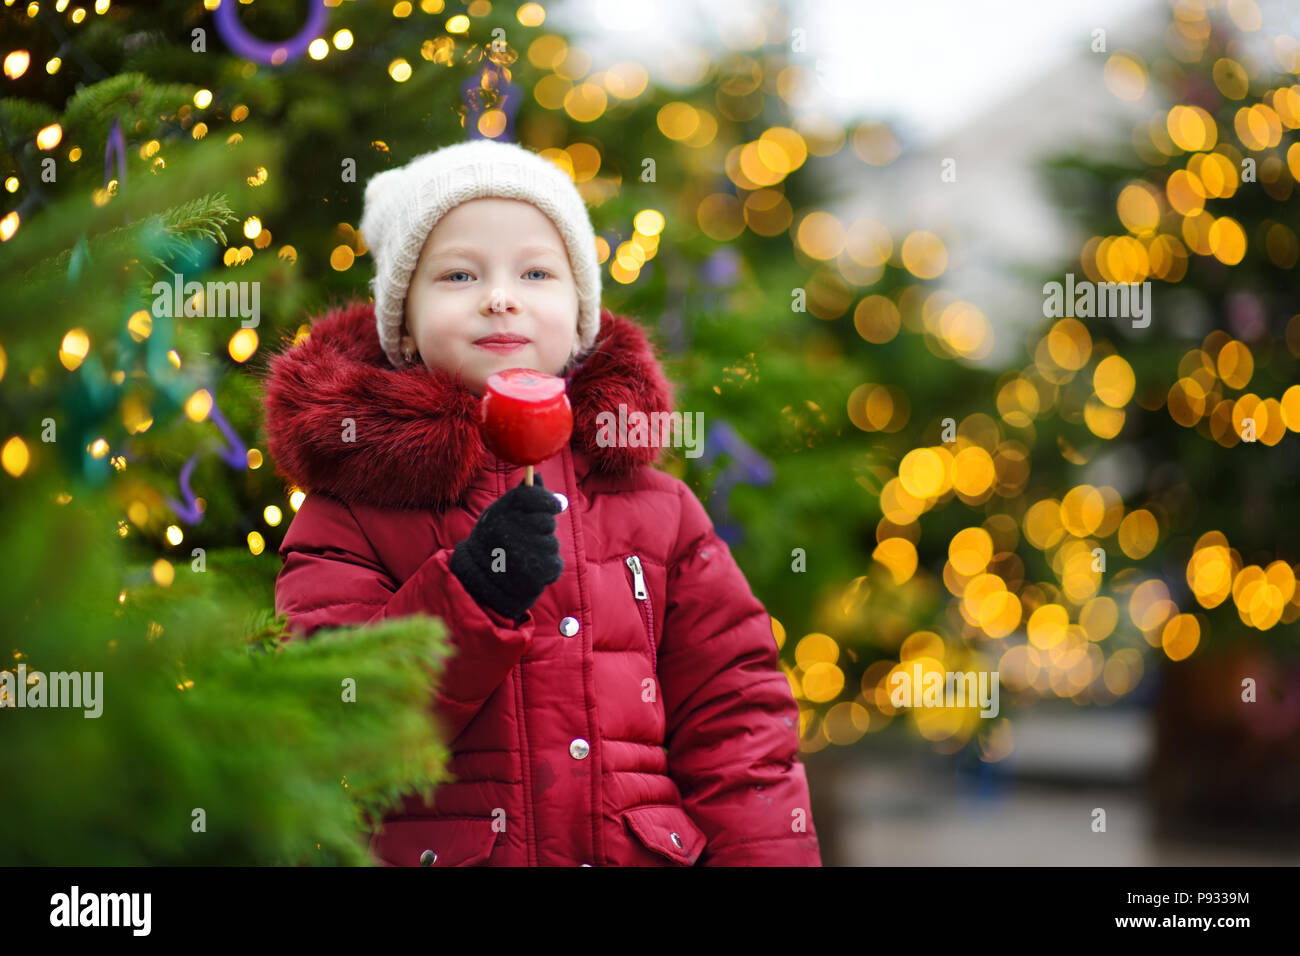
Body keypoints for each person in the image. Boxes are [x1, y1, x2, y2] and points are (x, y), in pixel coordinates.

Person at [261, 137, 821, 867]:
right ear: (401, 324)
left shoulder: (660, 511)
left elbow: (735, 720)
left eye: (535, 271)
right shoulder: (352, 512)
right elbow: (336, 716)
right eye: (459, 274)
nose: (501, 295)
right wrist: (471, 595)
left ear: (581, 313)